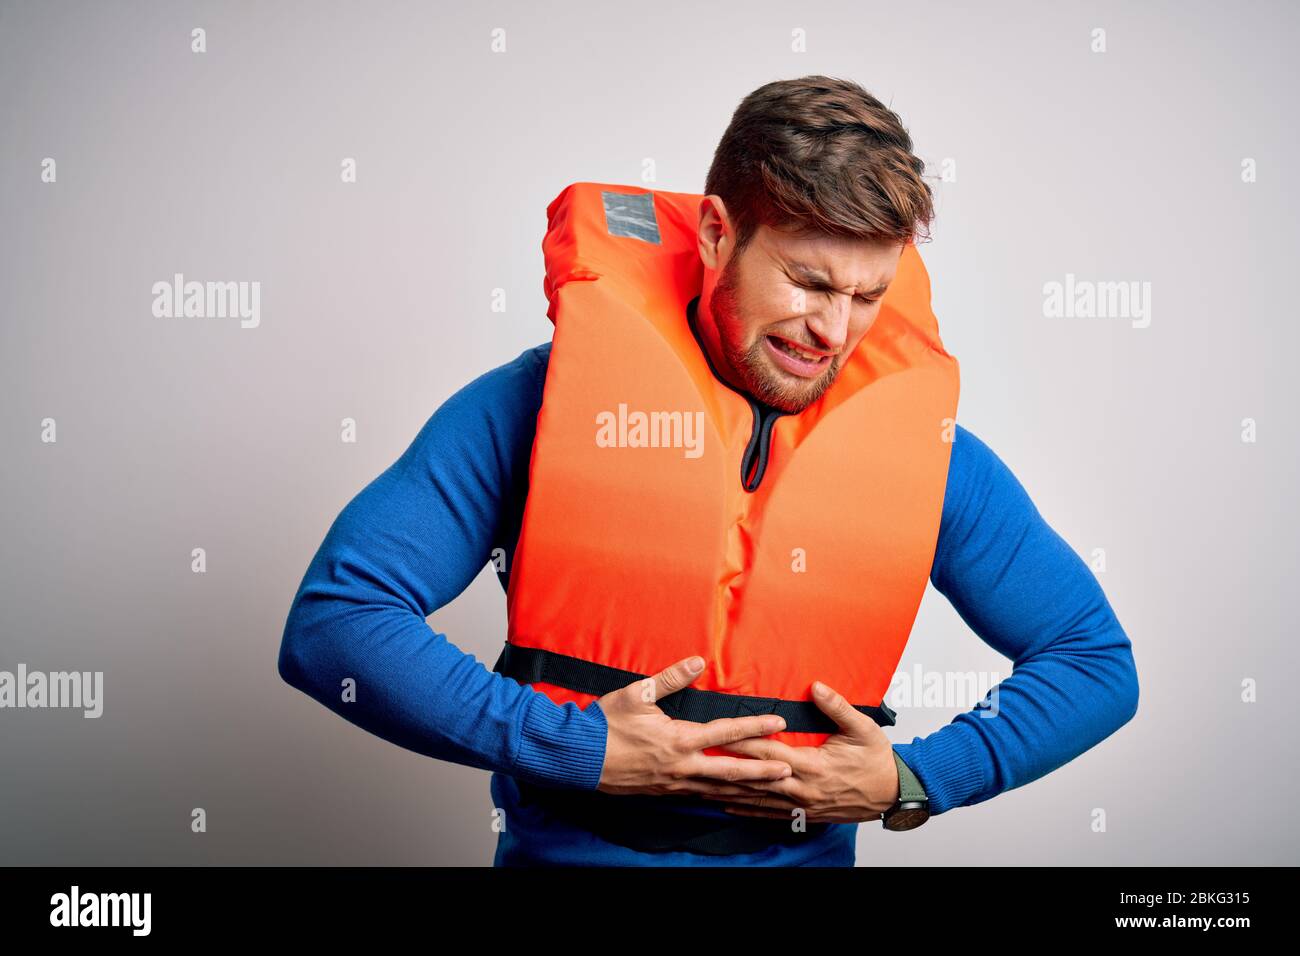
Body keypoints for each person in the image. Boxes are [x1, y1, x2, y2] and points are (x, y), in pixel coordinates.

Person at [277, 75, 1139, 866]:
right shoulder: (537, 406)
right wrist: (571, 745)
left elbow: (1093, 662)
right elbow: (335, 625)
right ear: (718, 235)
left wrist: (914, 781)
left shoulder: (931, 457)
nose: (833, 333)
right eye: (808, 281)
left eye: (868, 296)